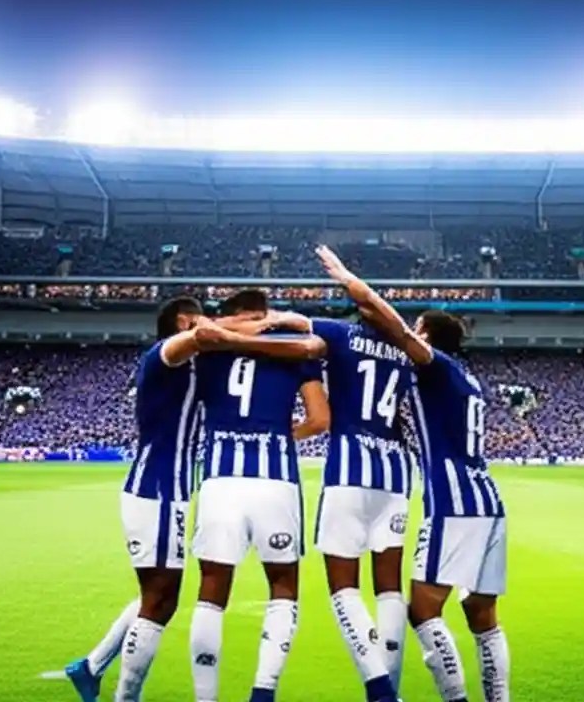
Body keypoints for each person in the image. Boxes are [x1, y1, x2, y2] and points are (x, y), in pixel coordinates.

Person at [64, 294, 325, 702]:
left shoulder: (201, 363)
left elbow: (215, 337)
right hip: (158, 489)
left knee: (160, 593)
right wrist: (266, 325)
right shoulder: (166, 353)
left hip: (178, 488)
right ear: (185, 321)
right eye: (202, 316)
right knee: (159, 600)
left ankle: (92, 666)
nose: (214, 322)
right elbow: (207, 334)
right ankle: (123, 695)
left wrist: (267, 323)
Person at [316, 245, 511, 702]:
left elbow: (395, 327)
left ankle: (456, 699)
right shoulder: (469, 379)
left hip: (453, 501)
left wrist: (348, 278)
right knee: (483, 614)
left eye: (417, 330)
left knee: (423, 611)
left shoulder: (435, 366)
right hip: (489, 499)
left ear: (426, 336)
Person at [187, 289, 330, 702]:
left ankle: (205, 697)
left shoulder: (208, 348)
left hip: (220, 479)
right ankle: (263, 693)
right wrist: (286, 435)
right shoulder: (295, 350)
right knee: (283, 586)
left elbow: (197, 329)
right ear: (261, 314)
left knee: (211, 589)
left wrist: (230, 333)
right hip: (276, 481)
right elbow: (320, 419)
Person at [298, 311, 416, 702]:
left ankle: (380, 689)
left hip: (350, 471)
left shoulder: (340, 334)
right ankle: (390, 686)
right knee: (389, 588)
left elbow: (287, 321)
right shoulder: (405, 350)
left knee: (343, 587)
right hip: (397, 474)